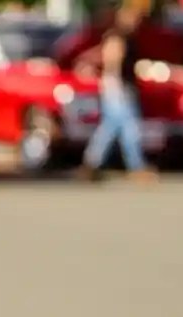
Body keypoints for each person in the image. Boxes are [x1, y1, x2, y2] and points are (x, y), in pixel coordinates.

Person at [78, 3, 157, 183]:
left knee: (109, 129)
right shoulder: (118, 37)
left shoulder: (123, 37)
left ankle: (91, 164)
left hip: (118, 87)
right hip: (118, 88)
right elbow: (112, 63)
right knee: (130, 129)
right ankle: (137, 167)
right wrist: (115, 87)